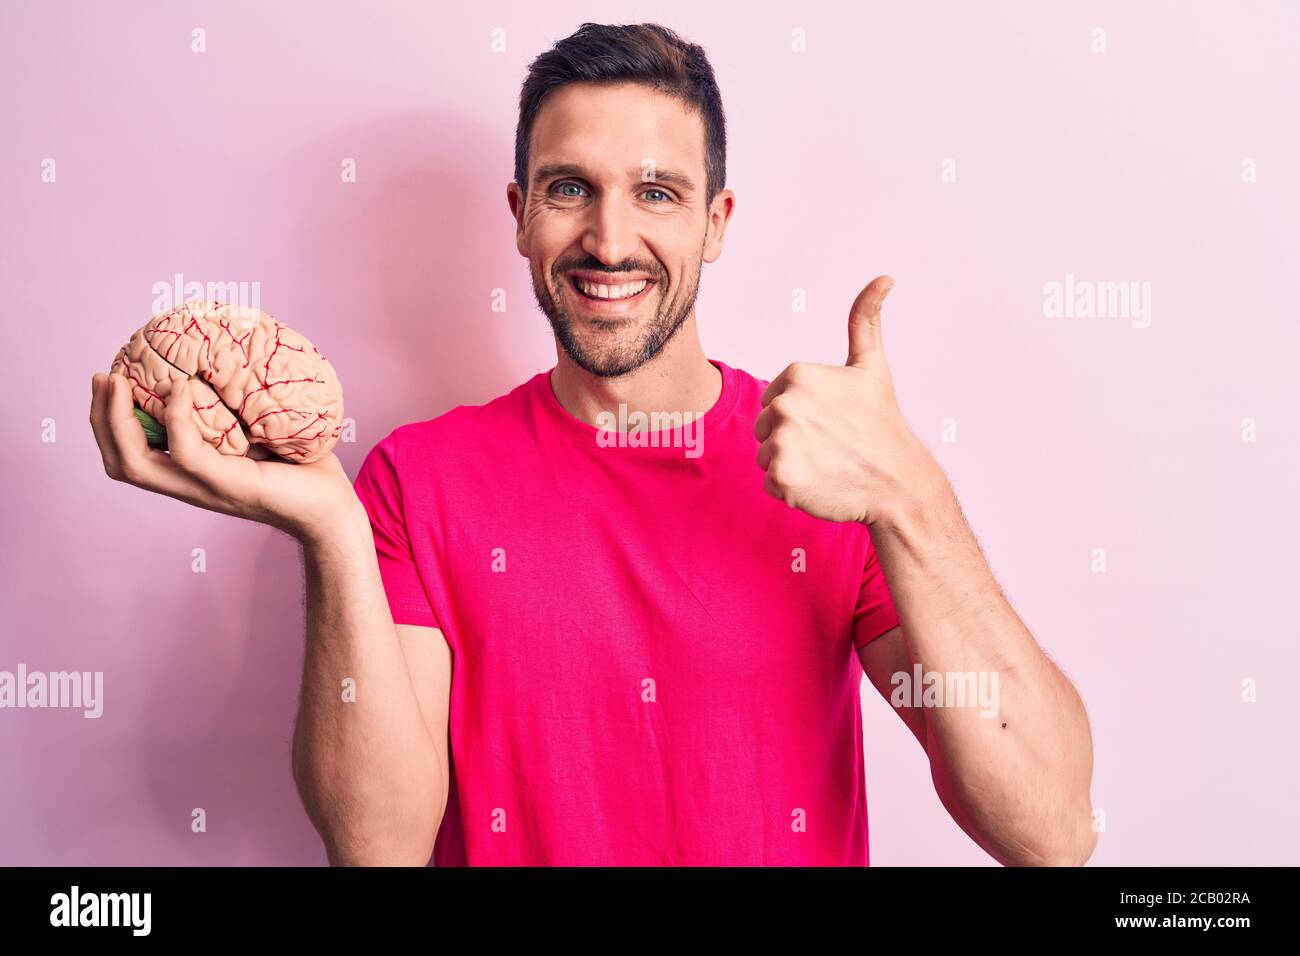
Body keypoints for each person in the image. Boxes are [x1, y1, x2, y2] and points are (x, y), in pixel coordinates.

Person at [90, 22, 1096, 867]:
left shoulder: (827, 472)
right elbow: (377, 845)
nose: (609, 240)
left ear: (716, 223)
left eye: (656, 193)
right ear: (520, 216)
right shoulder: (419, 480)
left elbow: (1049, 829)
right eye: (570, 188)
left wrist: (910, 496)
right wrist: (327, 527)